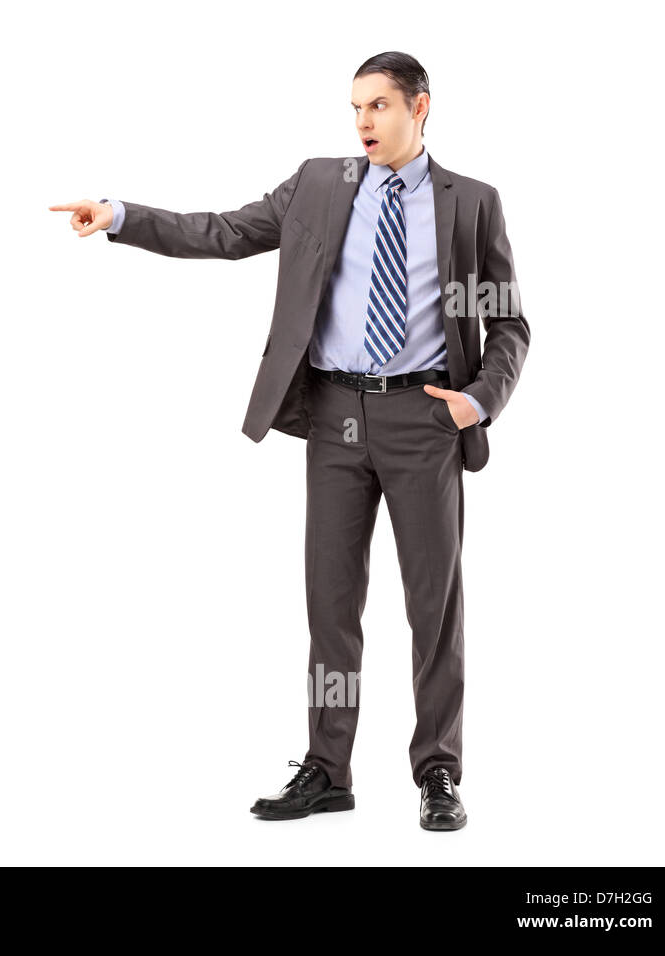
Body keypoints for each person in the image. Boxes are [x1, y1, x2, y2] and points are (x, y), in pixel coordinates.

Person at [49, 52, 529, 830]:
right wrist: (121, 215)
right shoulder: (320, 185)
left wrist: (477, 402)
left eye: (378, 107)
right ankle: (327, 769)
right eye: (355, 108)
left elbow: (507, 320)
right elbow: (227, 231)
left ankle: (438, 771)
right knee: (331, 607)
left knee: (433, 609)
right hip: (335, 419)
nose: (363, 123)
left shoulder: (469, 204)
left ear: (421, 107)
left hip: (425, 421)